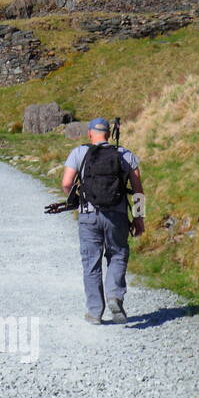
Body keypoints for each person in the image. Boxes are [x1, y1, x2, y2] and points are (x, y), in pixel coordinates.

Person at [61, 118, 145, 324]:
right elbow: (138, 191)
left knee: (91, 262)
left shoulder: (79, 153)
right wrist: (139, 218)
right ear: (109, 134)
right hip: (117, 215)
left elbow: (66, 183)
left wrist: (75, 199)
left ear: (90, 133)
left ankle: (95, 312)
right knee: (118, 254)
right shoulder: (125, 155)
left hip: (89, 215)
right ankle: (115, 296)